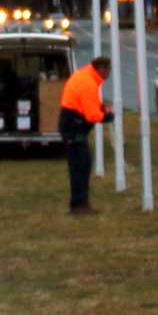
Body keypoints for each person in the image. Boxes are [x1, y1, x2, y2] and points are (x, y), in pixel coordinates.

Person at [58, 50, 110, 215]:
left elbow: (91, 105)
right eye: (108, 70)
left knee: (83, 162)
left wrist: (100, 109)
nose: (108, 74)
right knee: (80, 164)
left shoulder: (85, 75)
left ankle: (81, 202)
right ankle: (78, 205)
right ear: (101, 69)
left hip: (72, 122)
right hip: (74, 125)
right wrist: (107, 116)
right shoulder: (88, 83)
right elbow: (92, 115)